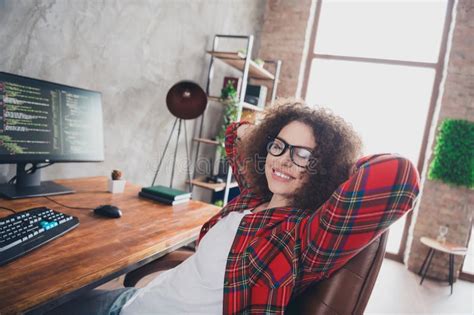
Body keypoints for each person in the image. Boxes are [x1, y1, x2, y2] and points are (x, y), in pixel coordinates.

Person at [46, 99, 420, 314]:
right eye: (278, 145)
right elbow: (235, 134)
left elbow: (399, 176)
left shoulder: (300, 236)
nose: (284, 161)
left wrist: (336, 170)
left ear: (324, 168)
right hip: (137, 300)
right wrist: (271, 141)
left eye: (304, 155)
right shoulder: (254, 198)